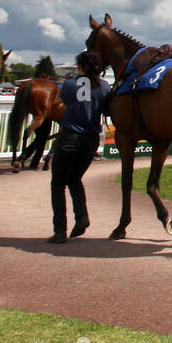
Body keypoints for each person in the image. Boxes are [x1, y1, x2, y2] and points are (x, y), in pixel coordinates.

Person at [47, 51, 110, 243]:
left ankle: (60, 230)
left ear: (81, 66)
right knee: (74, 179)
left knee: (58, 183)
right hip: (91, 139)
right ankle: (81, 217)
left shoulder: (69, 84)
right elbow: (106, 110)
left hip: (70, 136)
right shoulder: (105, 86)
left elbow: (65, 102)